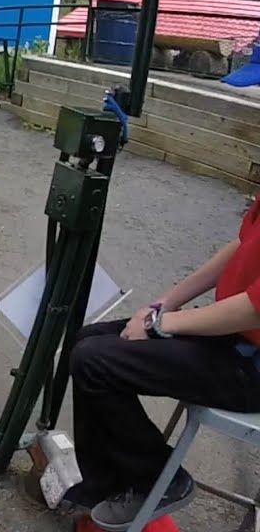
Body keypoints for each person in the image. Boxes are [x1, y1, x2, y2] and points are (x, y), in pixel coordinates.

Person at [63, 194, 260, 530]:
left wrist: (162, 324)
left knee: (95, 361)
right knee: (88, 339)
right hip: (231, 338)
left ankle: (155, 478)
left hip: (250, 369)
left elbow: (253, 311)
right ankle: (106, 486)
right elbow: (242, 247)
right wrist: (160, 306)